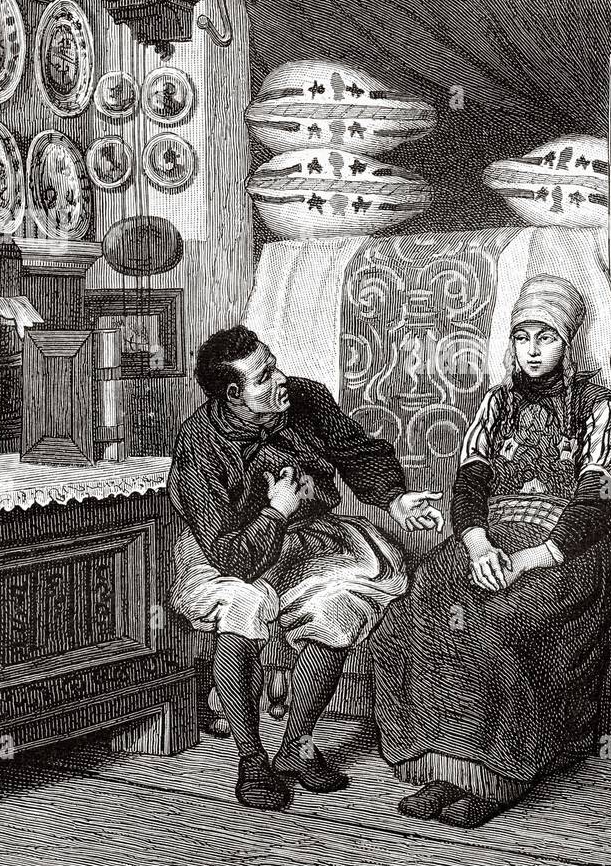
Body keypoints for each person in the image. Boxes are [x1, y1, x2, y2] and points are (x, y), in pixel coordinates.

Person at [370, 276, 611, 828]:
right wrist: (477, 542)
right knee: (417, 611)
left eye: (546, 338)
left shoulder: (600, 408)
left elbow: (598, 502)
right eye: (522, 337)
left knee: (496, 626)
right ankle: (441, 766)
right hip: (490, 538)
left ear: (570, 343)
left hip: (565, 552)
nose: (532, 350)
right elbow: (469, 485)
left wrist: (536, 556)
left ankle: (499, 775)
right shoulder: (497, 402)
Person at [168, 325, 443, 812]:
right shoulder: (199, 444)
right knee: (241, 608)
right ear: (233, 395)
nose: (280, 381)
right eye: (263, 377)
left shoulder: (306, 399)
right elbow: (231, 556)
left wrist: (395, 499)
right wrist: (275, 512)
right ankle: (251, 760)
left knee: (338, 611)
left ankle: (295, 745)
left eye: (274, 365)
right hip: (227, 554)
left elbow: (356, 452)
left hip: (307, 543)